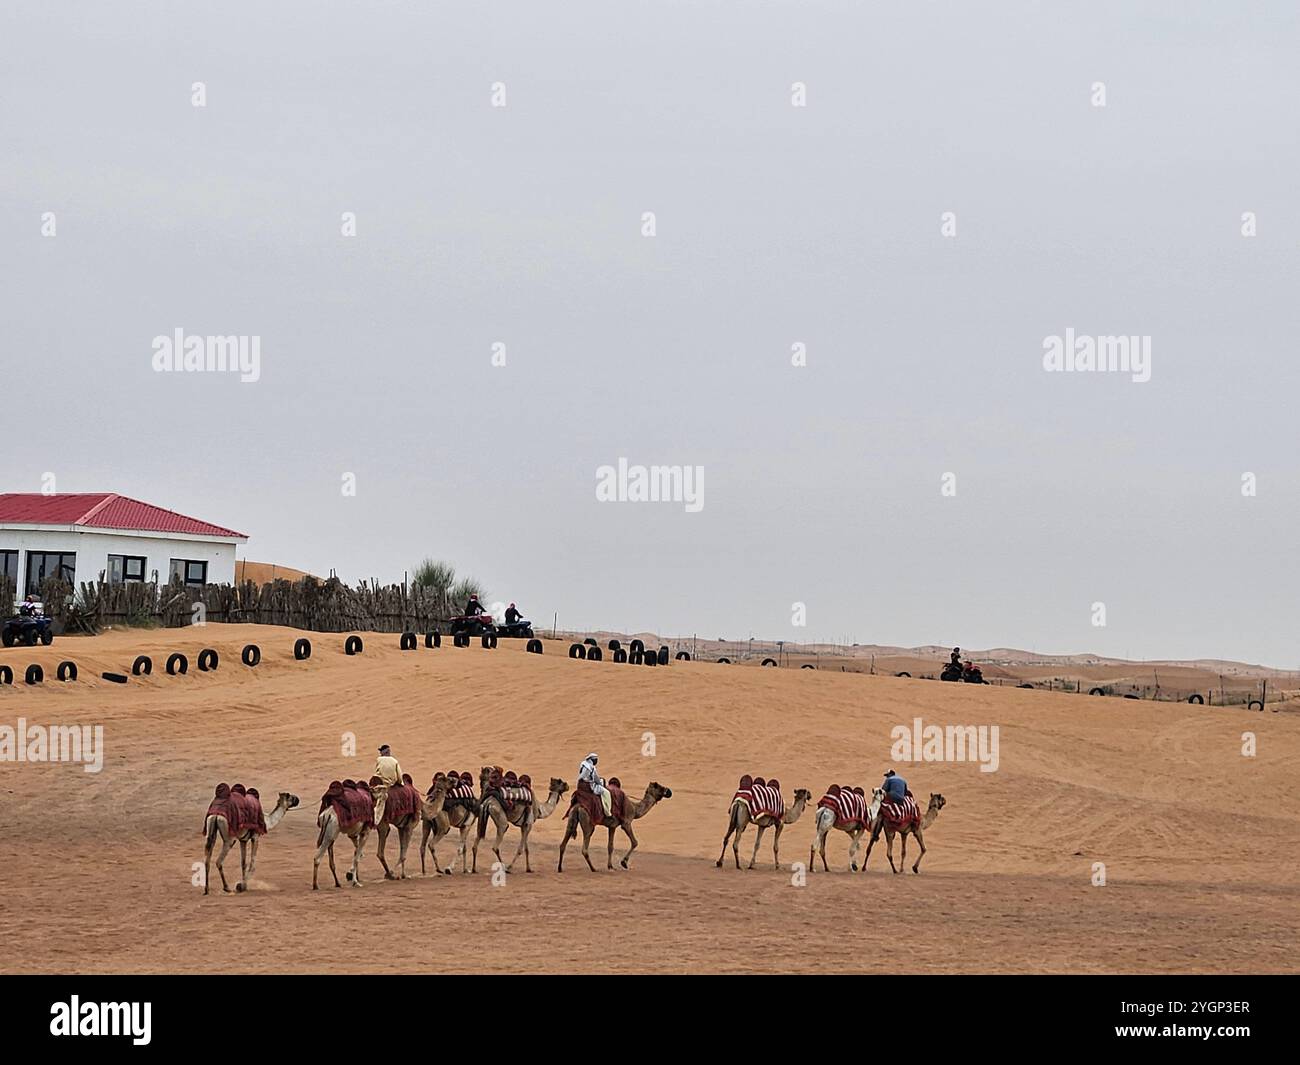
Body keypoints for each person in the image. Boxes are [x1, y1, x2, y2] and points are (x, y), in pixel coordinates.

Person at [372, 744, 404, 823]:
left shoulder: (378, 759)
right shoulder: (395, 761)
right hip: (389, 785)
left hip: (377, 784)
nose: (380, 753)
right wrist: (401, 783)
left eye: (381, 751)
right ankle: (377, 820)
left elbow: (376, 771)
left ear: (384, 752)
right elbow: (399, 776)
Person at [578, 752, 612, 818]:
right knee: (606, 792)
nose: (596, 761)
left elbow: (581, 777)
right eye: (595, 759)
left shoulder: (584, 765)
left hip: (581, 786)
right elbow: (595, 779)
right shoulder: (590, 767)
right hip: (590, 786)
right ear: (591, 760)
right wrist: (601, 784)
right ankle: (607, 812)